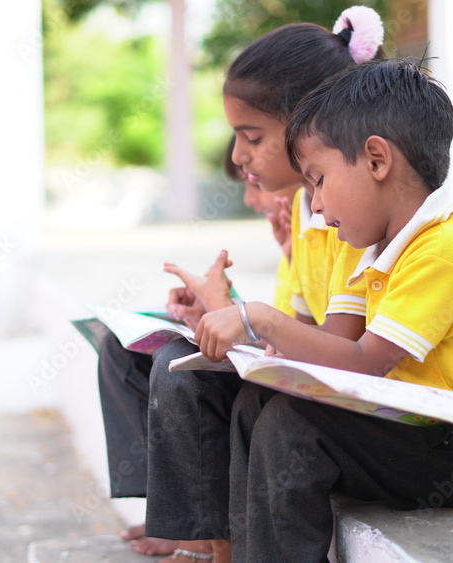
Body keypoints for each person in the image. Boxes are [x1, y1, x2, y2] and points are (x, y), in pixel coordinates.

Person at [193, 57, 453, 562]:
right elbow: (331, 349)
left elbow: (361, 363)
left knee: (293, 422)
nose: (315, 206)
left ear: (377, 160)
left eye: (318, 179)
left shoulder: (448, 249)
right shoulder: (377, 251)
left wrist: (262, 318)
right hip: (412, 427)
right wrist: (255, 338)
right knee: (255, 403)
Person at [144, 6, 384, 562]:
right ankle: (209, 547)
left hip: (364, 400)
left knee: (260, 407)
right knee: (174, 368)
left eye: (251, 136)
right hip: (325, 375)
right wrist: (220, 310)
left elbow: (340, 351)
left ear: (305, 124)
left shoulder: (362, 215)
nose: (237, 156)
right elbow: (300, 332)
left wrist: (248, 317)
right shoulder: (307, 209)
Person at [96, 136, 298, 558]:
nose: (250, 199)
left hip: (290, 387)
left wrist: (222, 308)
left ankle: (199, 535)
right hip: (276, 362)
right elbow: (284, 329)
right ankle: (169, 515)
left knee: (180, 369)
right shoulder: (300, 239)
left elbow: (306, 345)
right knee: (121, 349)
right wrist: (210, 312)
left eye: (256, 183)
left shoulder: (328, 231)